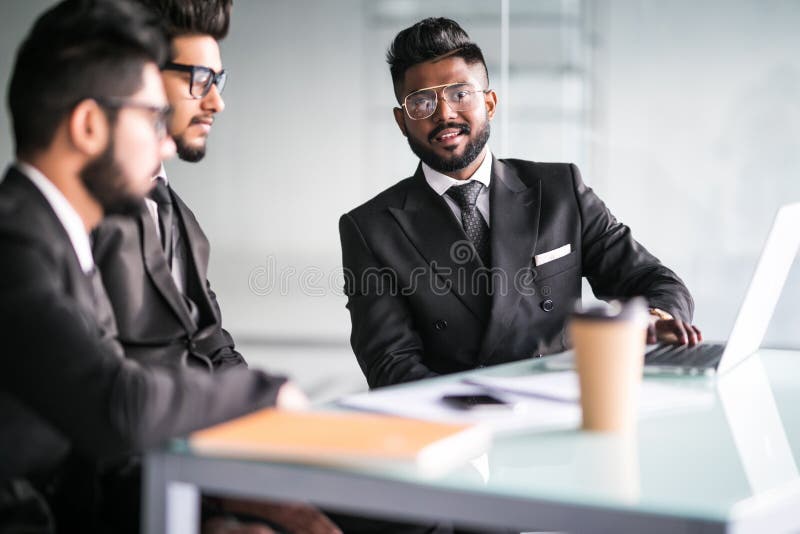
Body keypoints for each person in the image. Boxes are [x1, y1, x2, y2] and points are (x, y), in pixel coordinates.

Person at [0, 1, 304, 532]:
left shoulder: (54, 237)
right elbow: (115, 407)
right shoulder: (14, 246)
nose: (166, 142)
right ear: (90, 125)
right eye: (151, 117)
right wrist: (270, 393)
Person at [339, 17, 702, 389]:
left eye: (460, 94)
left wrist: (654, 318)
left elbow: (652, 280)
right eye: (422, 102)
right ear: (402, 121)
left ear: (490, 102)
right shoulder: (370, 229)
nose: (444, 113)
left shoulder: (561, 189)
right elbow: (390, 364)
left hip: (562, 410)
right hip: (457, 425)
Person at [90, 2, 341, 533]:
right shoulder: (86, 220)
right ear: (142, 80)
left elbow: (210, 343)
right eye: (200, 79)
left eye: (219, 78)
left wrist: (272, 425)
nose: (217, 101)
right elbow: (103, 398)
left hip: (201, 448)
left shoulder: (182, 217)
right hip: (133, 472)